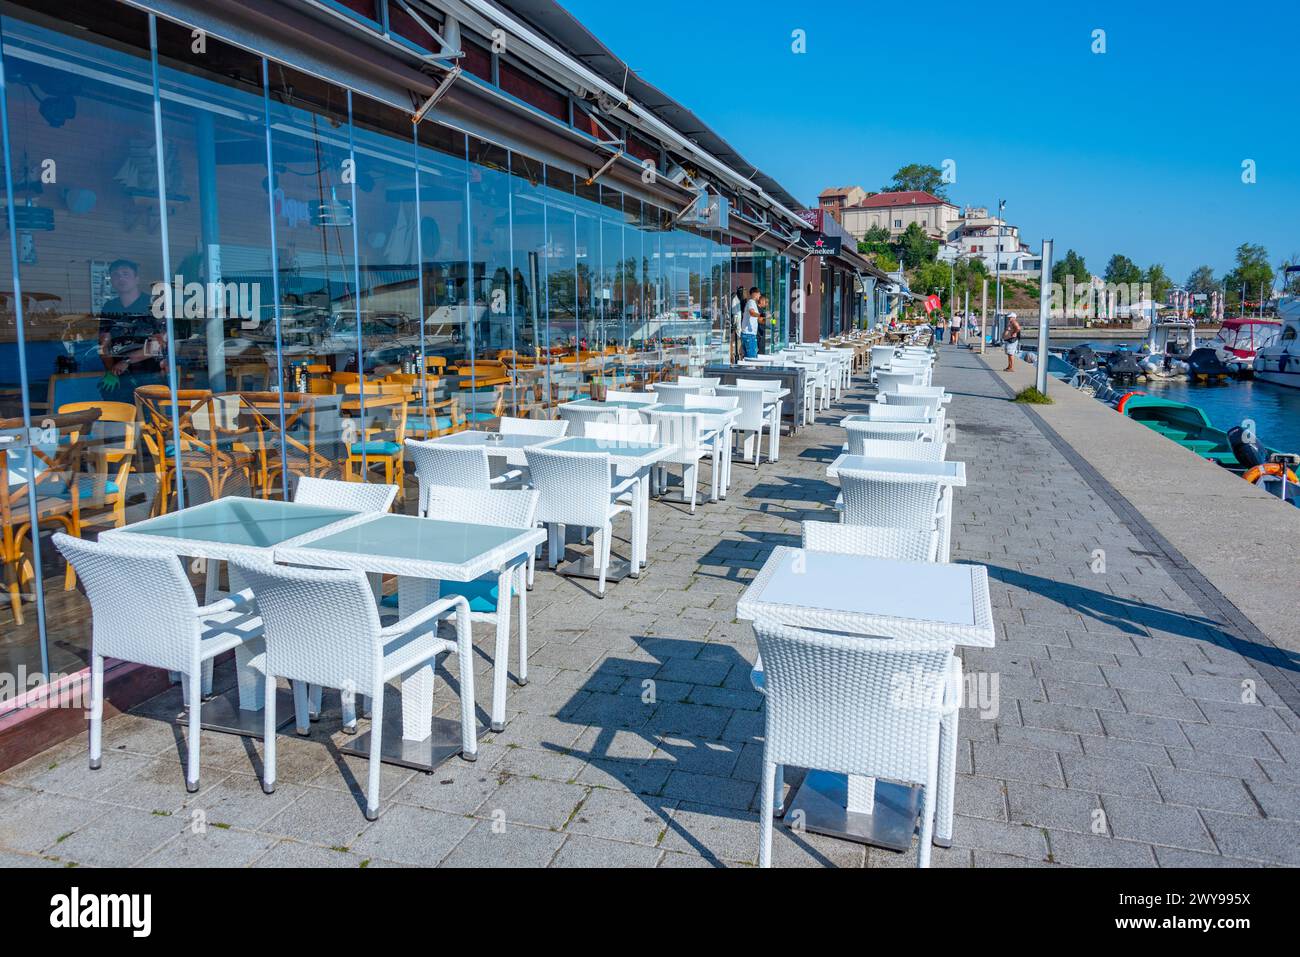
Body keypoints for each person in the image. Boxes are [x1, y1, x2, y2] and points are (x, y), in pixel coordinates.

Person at [98, 259, 167, 397]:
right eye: (116, 275)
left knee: (148, 417)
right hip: (119, 377)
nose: (121, 278)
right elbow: (104, 342)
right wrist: (111, 370)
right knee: (118, 415)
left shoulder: (153, 305)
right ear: (111, 281)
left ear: (137, 279)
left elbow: (159, 344)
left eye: (125, 273)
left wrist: (126, 361)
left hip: (150, 375)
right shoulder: (109, 307)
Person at [741, 287, 761, 358]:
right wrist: (761, 315)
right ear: (755, 294)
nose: (760, 295)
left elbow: (758, 319)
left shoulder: (752, 303)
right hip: (749, 335)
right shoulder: (751, 302)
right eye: (759, 294)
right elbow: (752, 313)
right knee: (752, 359)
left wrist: (768, 319)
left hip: (748, 334)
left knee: (748, 359)